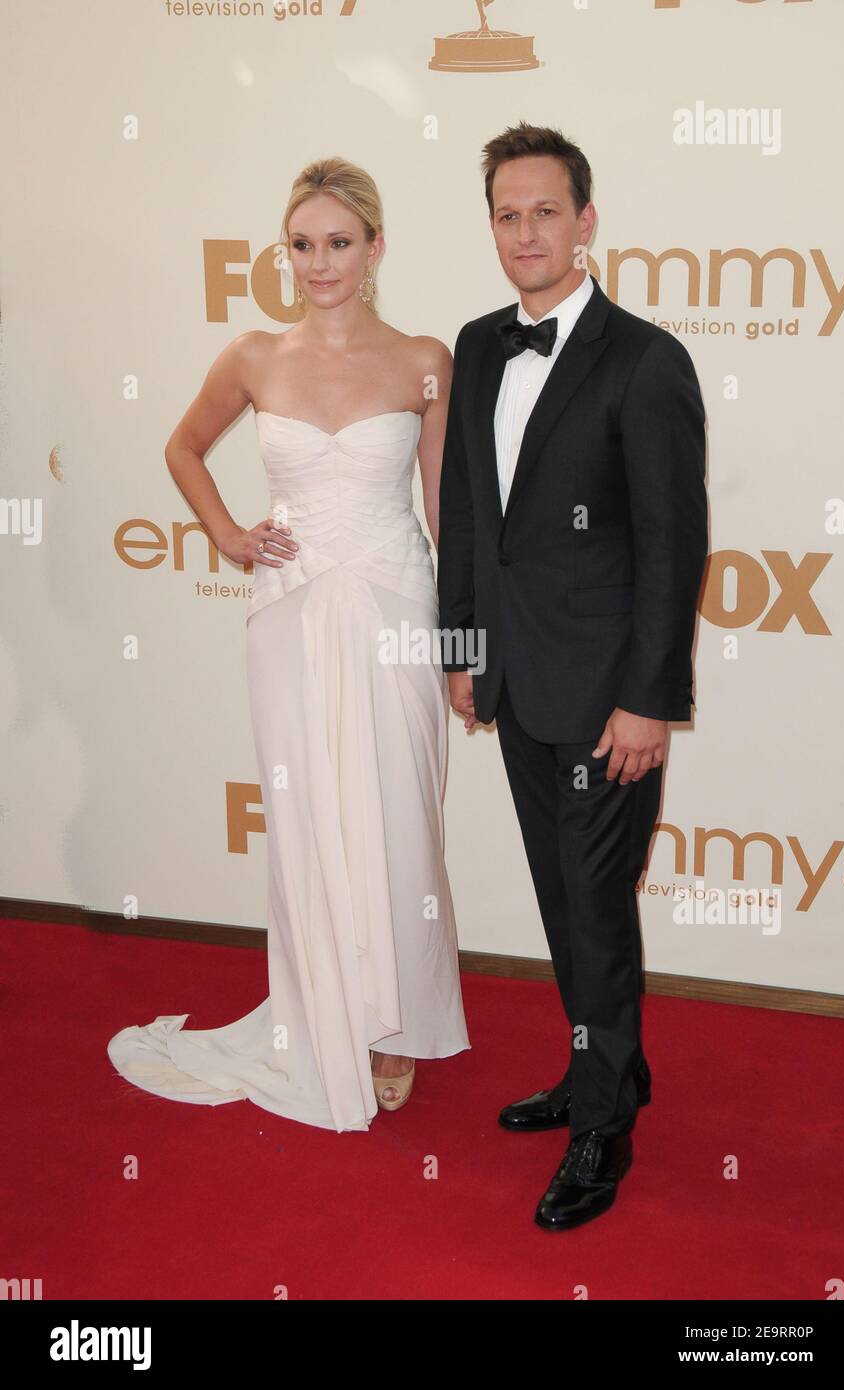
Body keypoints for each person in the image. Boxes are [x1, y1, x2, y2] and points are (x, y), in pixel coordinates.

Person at [108, 157, 470, 1130]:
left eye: (338, 243)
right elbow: (182, 447)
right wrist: (228, 534)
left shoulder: (424, 359)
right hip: (289, 611)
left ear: (375, 247)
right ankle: (324, 1012)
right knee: (310, 822)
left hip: (396, 604)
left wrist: (463, 643)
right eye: (302, 245)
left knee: (398, 820)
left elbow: (447, 511)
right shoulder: (253, 357)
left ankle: (396, 1028)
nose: (319, 264)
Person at [437, 123, 707, 1228]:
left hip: (607, 701)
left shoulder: (645, 360)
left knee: (594, 909)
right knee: (562, 899)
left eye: (546, 211)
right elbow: (461, 517)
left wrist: (647, 696)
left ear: (585, 223)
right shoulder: (477, 344)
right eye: (507, 213)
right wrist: (461, 651)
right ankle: (604, 1065)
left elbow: (670, 544)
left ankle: (602, 1127)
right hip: (515, 683)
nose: (526, 231)